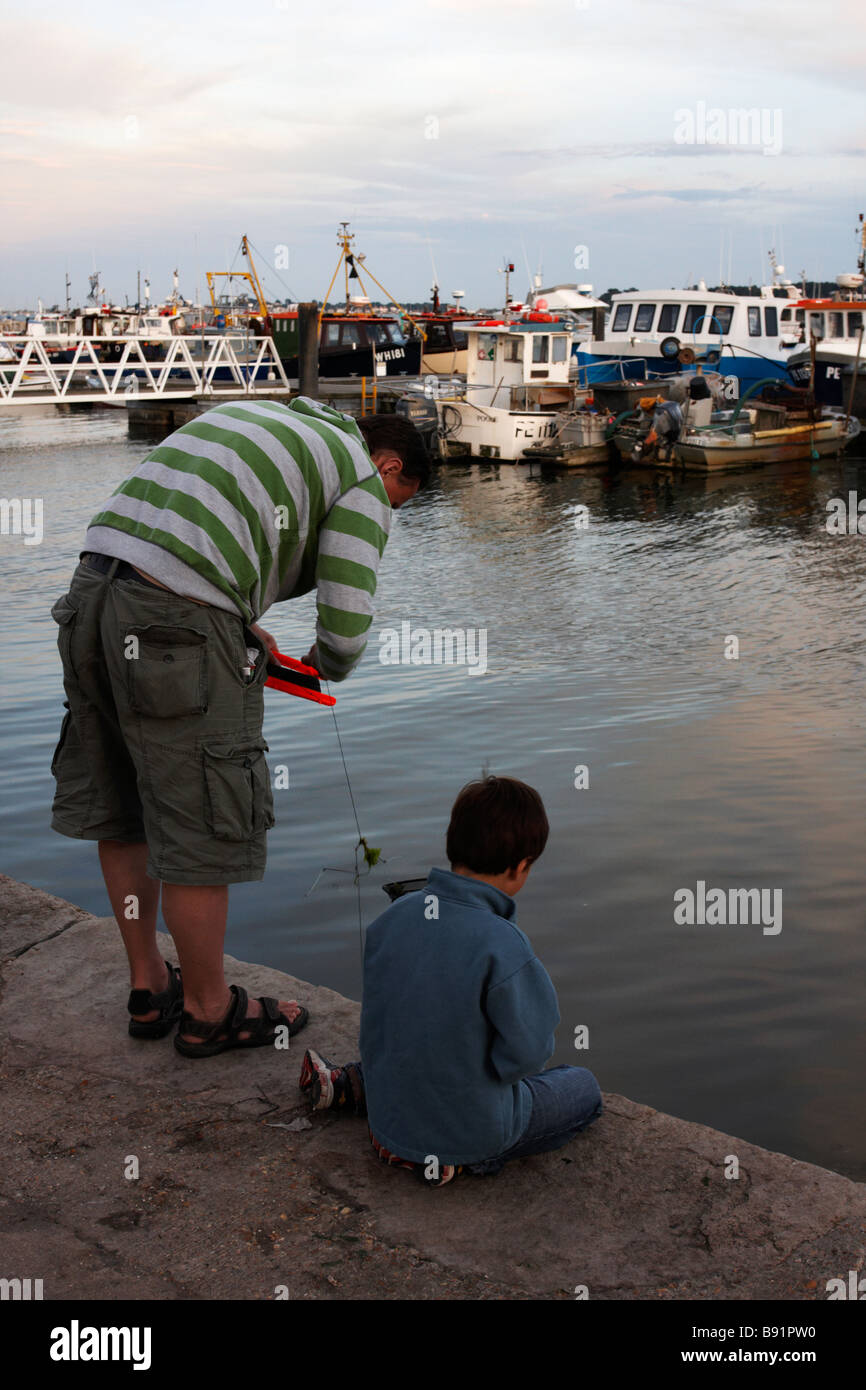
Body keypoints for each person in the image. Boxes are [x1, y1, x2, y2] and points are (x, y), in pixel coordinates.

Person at [49, 396, 429, 1058]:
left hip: (92, 591)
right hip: (169, 619)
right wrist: (327, 665)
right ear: (389, 463)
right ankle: (208, 1010)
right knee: (205, 820)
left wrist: (231, 623)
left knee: (122, 806)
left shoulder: (271, 419)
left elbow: (192, 541)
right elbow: (344, 622)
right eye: (398, 501)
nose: (386, 514)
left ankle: (149, 989)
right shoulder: (362, 477)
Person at [299, 776, 602, 1182]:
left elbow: (386, 1020)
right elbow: (527, 1057)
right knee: (582, 1085)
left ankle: (355, 1085)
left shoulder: (394, 917)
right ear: (520, 867)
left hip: (389, 1125)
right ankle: (456, 1156)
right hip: (467, 1134)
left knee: (416, 1045)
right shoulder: (504, 945)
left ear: (453, 844)